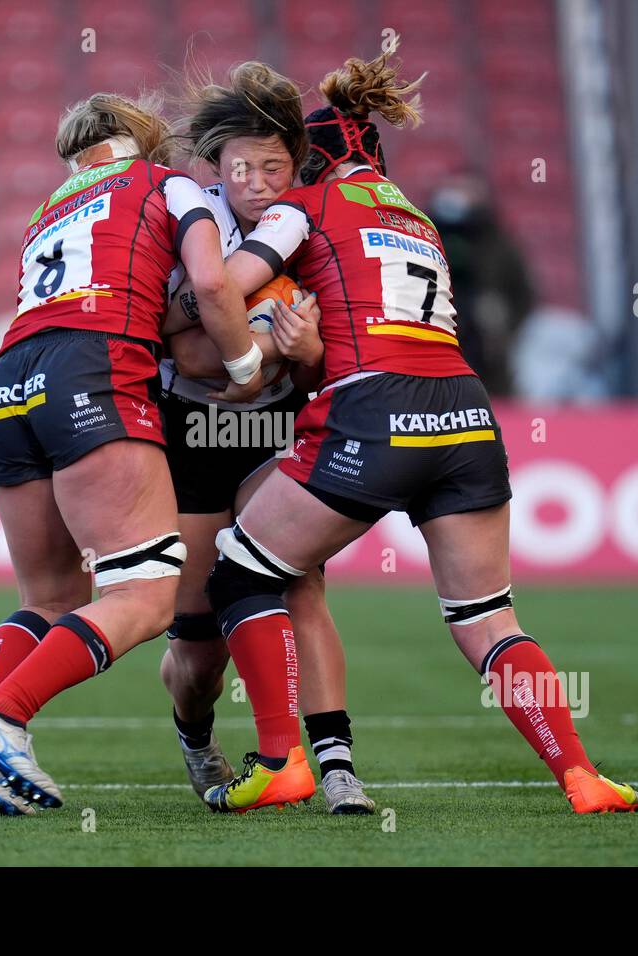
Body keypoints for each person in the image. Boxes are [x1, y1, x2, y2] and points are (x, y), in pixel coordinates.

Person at [187, 50, 638, 814]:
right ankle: (580, 775)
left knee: (239, 570)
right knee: (487, 617)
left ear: (316, 160)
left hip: (376, 411)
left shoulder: (313, 206)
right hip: (466, 412)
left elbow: (224, 287)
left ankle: (280, 761)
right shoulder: (418, 218)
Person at [0, 92, 262, 816]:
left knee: (49, 599)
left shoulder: (50, 206)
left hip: (5, 383)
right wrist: (245, 364)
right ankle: (1, 719)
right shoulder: (166, 183)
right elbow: (211, 283)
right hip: (93, 371)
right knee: (147, 596)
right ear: (144, 140)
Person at [157, 61, 374, 813]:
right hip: (189, 430)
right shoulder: (195, 222)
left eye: (273, 165)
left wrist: (305, 354)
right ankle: (194, 735)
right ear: (217, 166)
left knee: (296, 584)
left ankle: (335, 761)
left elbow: (323, 368)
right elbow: (184, 351)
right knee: (195, 647)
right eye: (240, 165)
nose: (256, 180)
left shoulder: (316, 231)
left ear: (296, 164)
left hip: (270, 428)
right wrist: (279, 345)